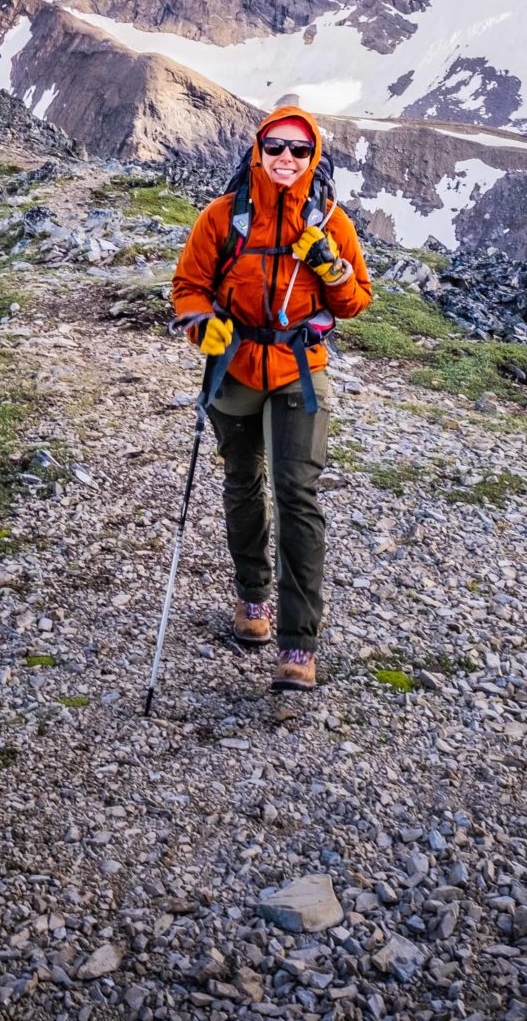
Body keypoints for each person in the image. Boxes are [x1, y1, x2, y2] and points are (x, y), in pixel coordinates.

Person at [171, 106, 372, 691]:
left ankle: (297, 643)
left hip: (297, 372)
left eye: (300, 150)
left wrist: (329, 268)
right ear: (257, 151)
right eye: (276, 146)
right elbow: (188, 287)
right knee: (241, 481)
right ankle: (252, 599)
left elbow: (355, 301)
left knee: (297, 495)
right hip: (233, 370)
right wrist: (200, 325)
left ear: (314, 158)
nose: (287, 158)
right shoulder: (221, 218)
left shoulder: (331, 222)